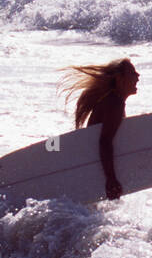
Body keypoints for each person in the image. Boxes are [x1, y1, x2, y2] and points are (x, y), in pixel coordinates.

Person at [59, 58, 140, 199]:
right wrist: (111, 179)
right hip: (97, 163)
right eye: (132, 72)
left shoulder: (111, 99)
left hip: (90, 164)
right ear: (119, 78)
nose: (138, 76)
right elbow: (105, 141)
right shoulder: (115, 103)